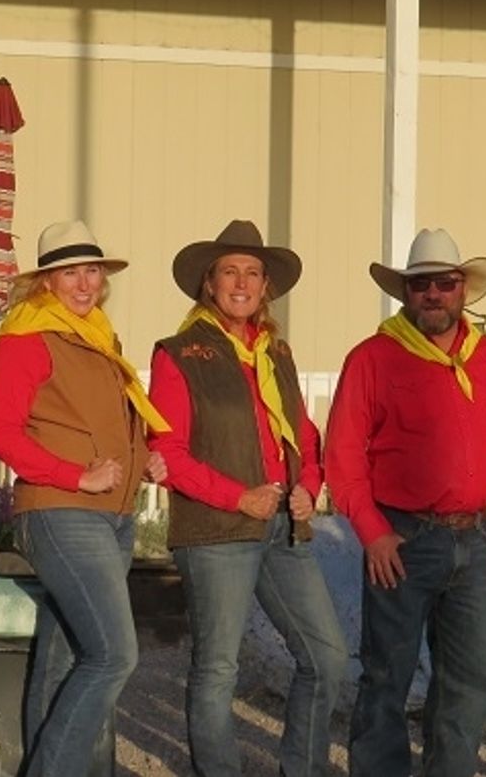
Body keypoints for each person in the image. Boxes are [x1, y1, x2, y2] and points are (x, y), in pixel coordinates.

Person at [148, 220, 346, 777]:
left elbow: (303, 435)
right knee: (216, 668)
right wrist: (240, 498)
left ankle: (300, 769)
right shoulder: (178, 353)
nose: (242, 282)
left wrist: (308, 487)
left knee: (327, 659)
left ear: (266, 287)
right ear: (209, 284)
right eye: (230, 271)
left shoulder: (275, 353)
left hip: (283, 527)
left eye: (252, 273)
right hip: (215, 532)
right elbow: (168, 450)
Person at [325, 227, 486, 777]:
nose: (433, 294)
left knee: (474, 675)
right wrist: (371, 530)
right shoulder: (372, 358)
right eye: (420, 285)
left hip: (476, 535)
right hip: (402, 536)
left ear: (463, 290)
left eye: (444, 283)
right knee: (387, 674)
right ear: (404, 293)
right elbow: (342, 454)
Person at [0, 220, 169, 777]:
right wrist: (75, 476)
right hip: (61, 511)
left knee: (65, 655)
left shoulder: (93, 334)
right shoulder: (29, 336)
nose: (85, 282)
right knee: (114, 655)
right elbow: (1, 434)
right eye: (70, 272)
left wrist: (147, 455)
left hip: (109, 516)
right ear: (47, 282)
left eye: (92, 270)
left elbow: (101, 421)